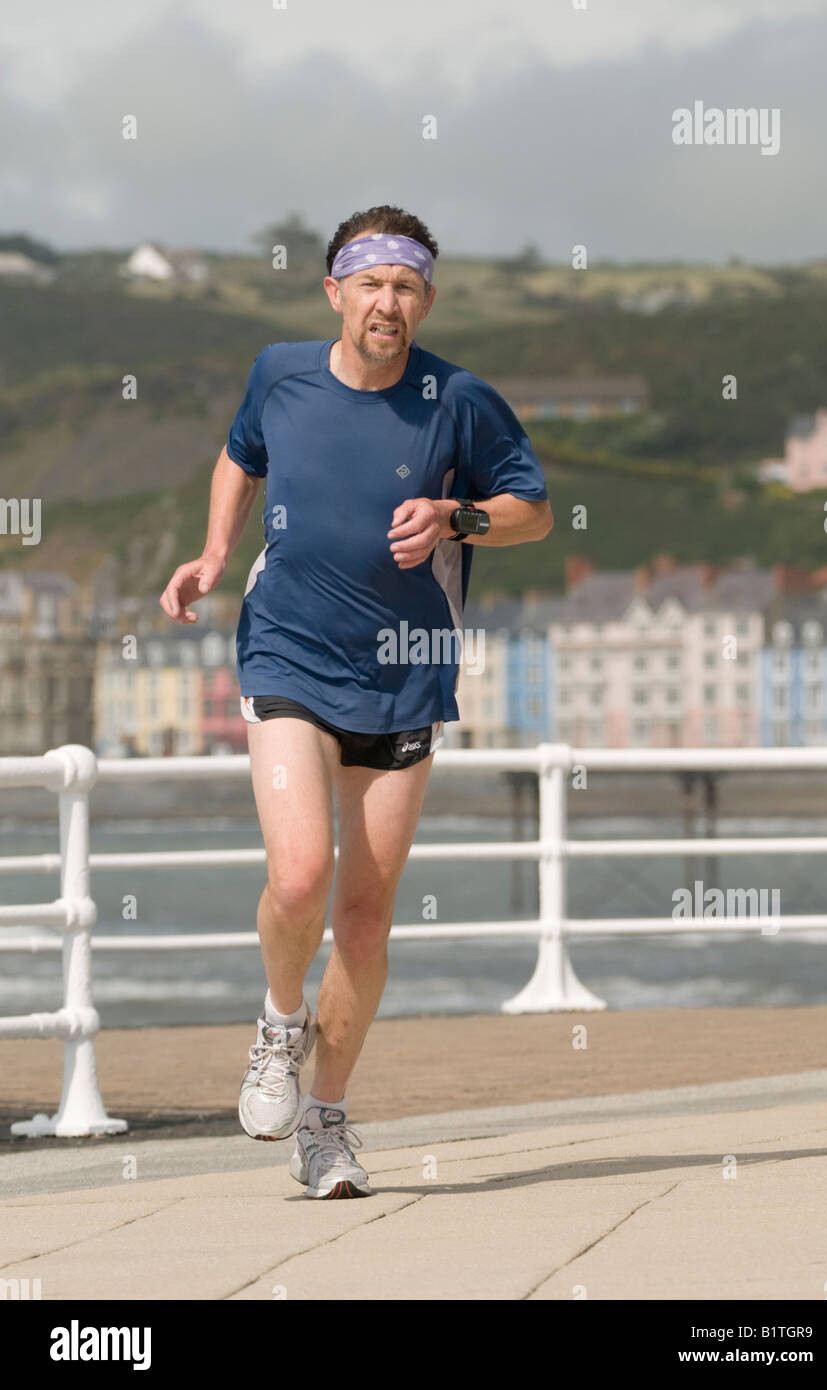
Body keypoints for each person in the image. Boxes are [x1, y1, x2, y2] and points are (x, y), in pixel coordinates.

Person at [159, 205, 552, 1198]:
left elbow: (533, 510)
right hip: (287, 648)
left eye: (407, 285)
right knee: (299, 876)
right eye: (370, 282)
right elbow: (241, 456)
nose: (389, 301)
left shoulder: (456, 398)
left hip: (405, 666)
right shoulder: (279, 371)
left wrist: (456, 513)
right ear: (334, 290)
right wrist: (213, 553)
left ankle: (324, 1123)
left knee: (366, 918)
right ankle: (277, 1019)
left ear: (426, 298)